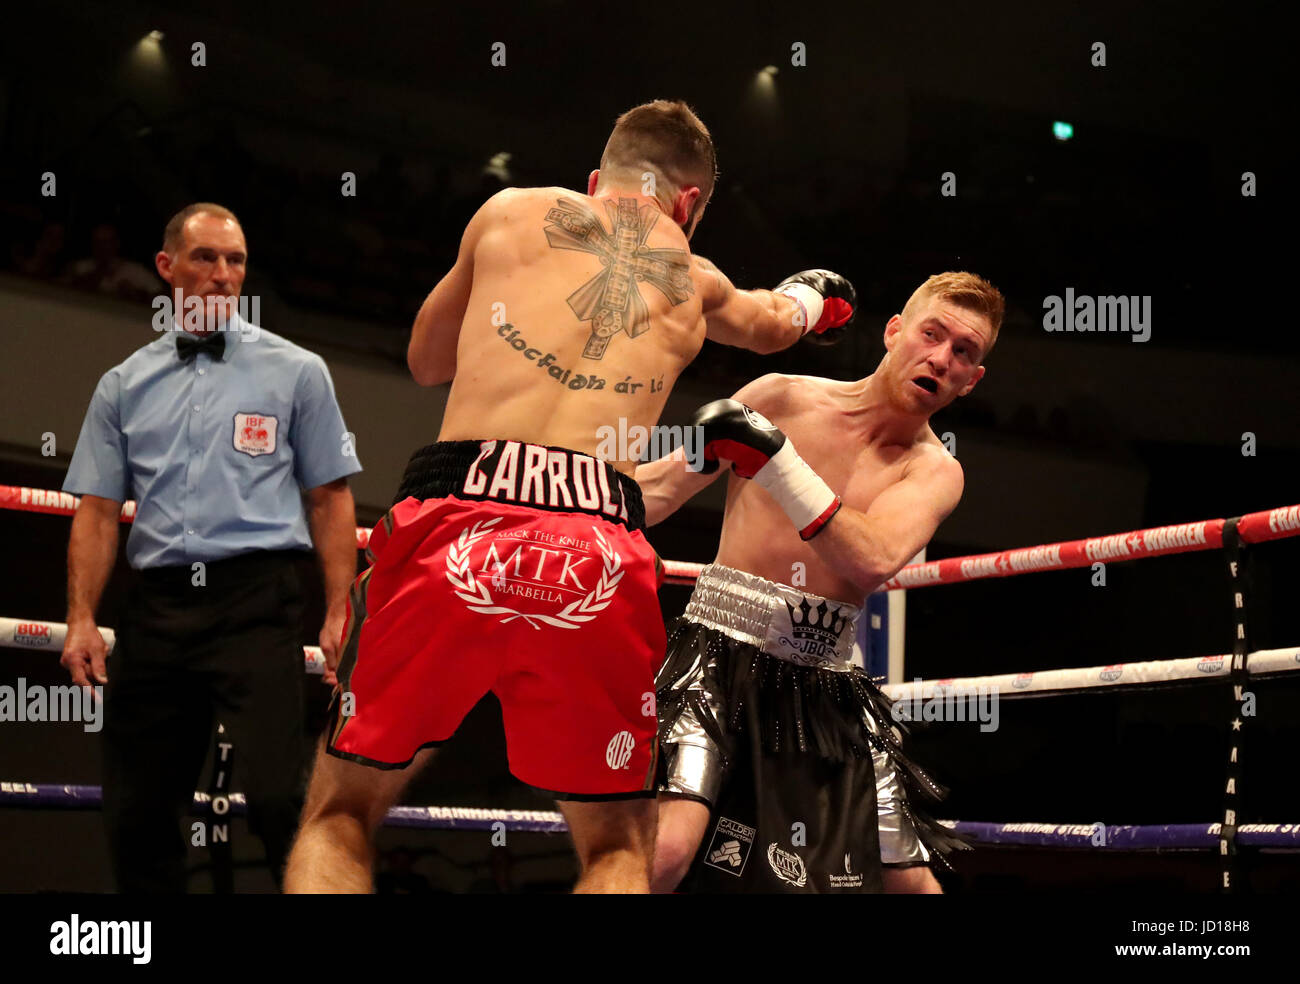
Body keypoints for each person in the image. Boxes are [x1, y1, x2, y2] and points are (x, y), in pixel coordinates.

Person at [284, 99, 857, 894]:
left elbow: (425, 361)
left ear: (597, 180)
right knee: (617, 845)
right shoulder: (694, 278)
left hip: (458, 512)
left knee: (341, 812)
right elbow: (775, 324)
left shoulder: (508, 212)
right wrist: (813, 298)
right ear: (690, 204)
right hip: (594, 537)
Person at [637, 271, 1004, 893]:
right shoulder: (781, 397)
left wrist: (779, 463)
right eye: (932, 334)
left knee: (910, 883)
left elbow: (872, 558)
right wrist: (561, 498)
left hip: (824, 688)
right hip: (714, 653)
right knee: (666, 850)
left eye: (964, 352)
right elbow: (662, 491)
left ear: (972, 379)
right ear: (894, 332)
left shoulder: (936, 472)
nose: (942, 358)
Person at [59, 202, 361, 892]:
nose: (224, 274)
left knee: (283, 799)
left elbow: (330, 497)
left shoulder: (297, 371)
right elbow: (98, 511)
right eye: (206, 258)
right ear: (167, 267)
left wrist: (340, 607)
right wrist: (80, 616)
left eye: (236, 260)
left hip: (256, 603)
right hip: (156, 608)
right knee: (138, 811)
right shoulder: (123, 384)